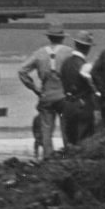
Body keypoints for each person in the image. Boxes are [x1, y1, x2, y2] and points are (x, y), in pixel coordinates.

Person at [17, 22, 73, 159]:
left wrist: (34, 88)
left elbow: (22, 71)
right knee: (66, 127)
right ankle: (68, 155)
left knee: (46, 128)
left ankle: (47, 157)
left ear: (49, 38)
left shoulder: (39, 53)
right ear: (62, 38)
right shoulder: (69, 52)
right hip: (63, 94)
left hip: (46, 94)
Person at [59, 30, 97, 147]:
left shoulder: (65, 63)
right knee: (84, 139)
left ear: (76, 44)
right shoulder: (85, 66)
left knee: (70, 139)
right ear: (88, 48)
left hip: (67, 104)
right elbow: (93, 85)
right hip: (82, 105)